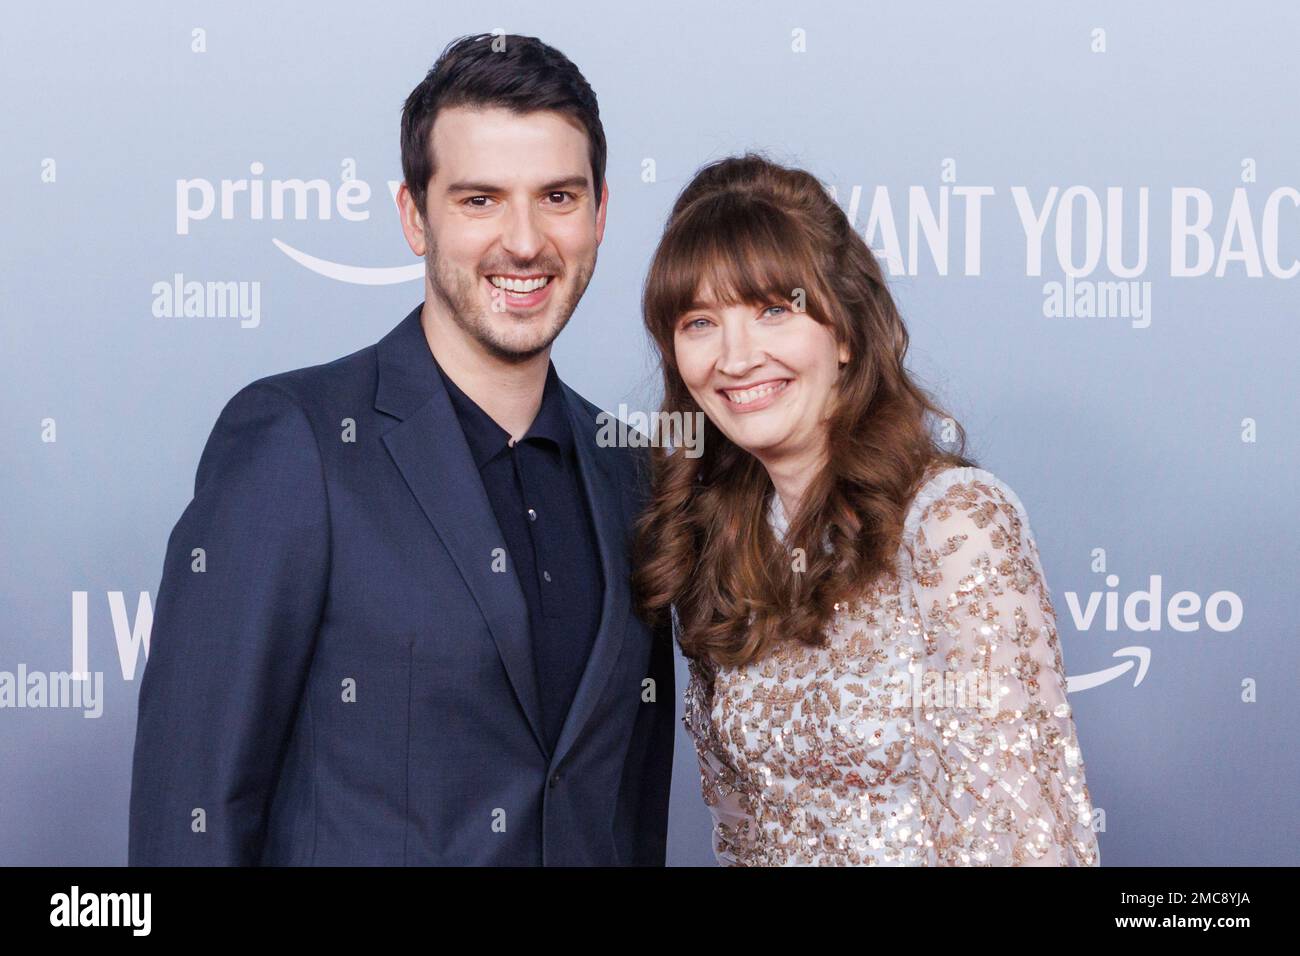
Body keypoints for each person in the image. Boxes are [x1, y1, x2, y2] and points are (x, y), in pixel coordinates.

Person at [128, 33, 674, 866]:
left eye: (557, 197)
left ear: (600, 213)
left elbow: (628, 816)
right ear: (414, 217)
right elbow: (190, 815)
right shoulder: (295, 444)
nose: (524, 242)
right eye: (479, 199)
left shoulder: (633, 474)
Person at [632, 152, 1101, 866]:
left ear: (845, 333)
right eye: (700, 322)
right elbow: (742, 835)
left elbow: (1023, 844)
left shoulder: (952, 526)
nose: (735, 357)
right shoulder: (719, 547)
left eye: (771, 311)